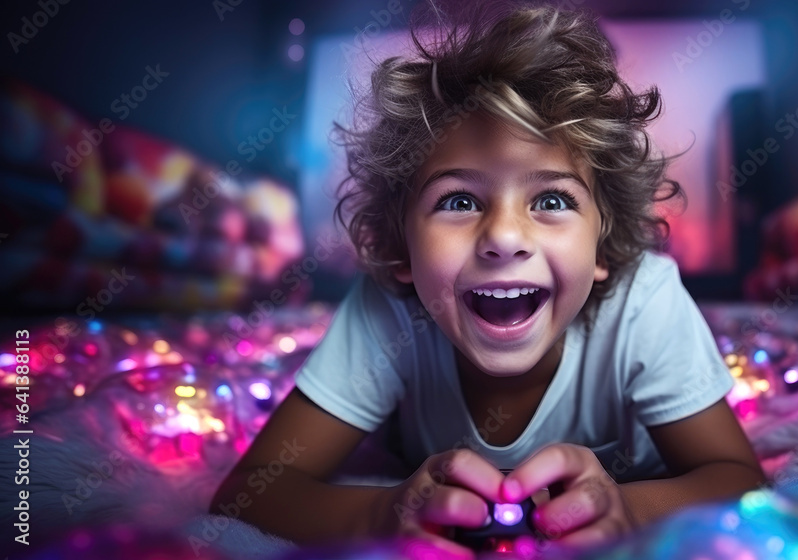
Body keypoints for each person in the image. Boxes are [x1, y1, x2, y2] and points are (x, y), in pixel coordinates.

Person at [210, 2, 765, 557]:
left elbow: (739, 479)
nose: (503, 236)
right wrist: (383, 510)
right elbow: (248, 493)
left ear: (603, 246)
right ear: (402, 248)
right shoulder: (389, 309)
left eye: (552, 199)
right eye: (458, 200)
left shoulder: (643, 299)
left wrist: (631, 507)